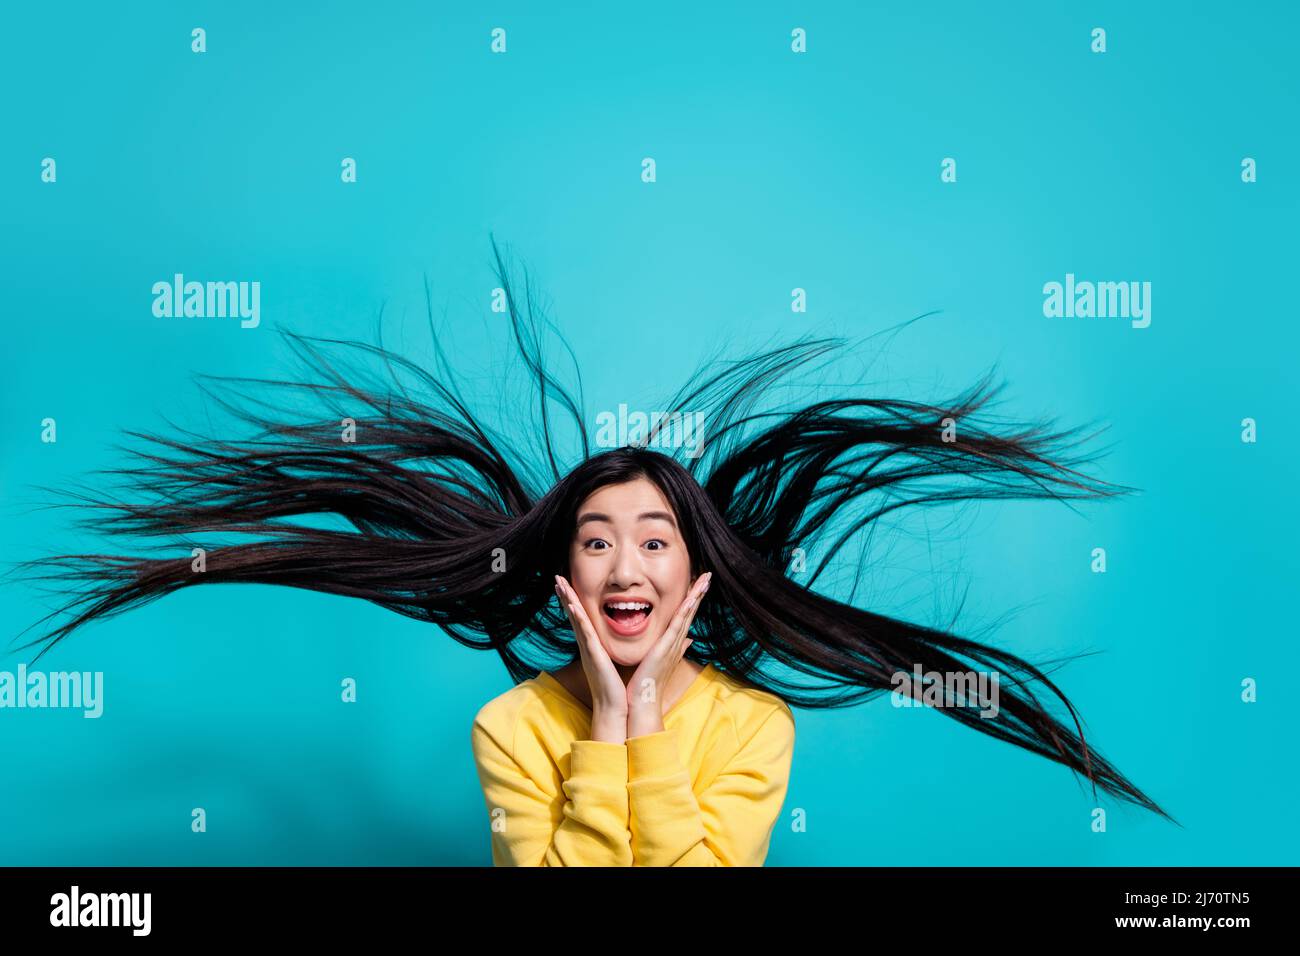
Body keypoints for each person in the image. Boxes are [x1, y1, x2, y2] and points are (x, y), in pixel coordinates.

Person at [12, 236, 1176, 869]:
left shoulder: (753, 728)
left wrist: (643, 727)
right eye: (599, 540)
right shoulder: (510, 728)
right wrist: (611, 723)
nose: (626, 564)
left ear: (697, 576)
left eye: (655, 540)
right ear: (563, 577)